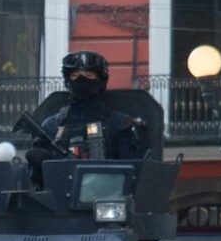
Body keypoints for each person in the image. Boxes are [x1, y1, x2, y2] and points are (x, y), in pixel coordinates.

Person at [26, 50, 148, 181]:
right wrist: (42, 163)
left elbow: (133, 173)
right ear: (68, 81)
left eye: (89, 75)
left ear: (100, 81)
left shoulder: (118, 124)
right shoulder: (52, 127)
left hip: (108, 195)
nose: (81, 79)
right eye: (75, 75)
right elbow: (38, 182)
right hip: (61, 195)